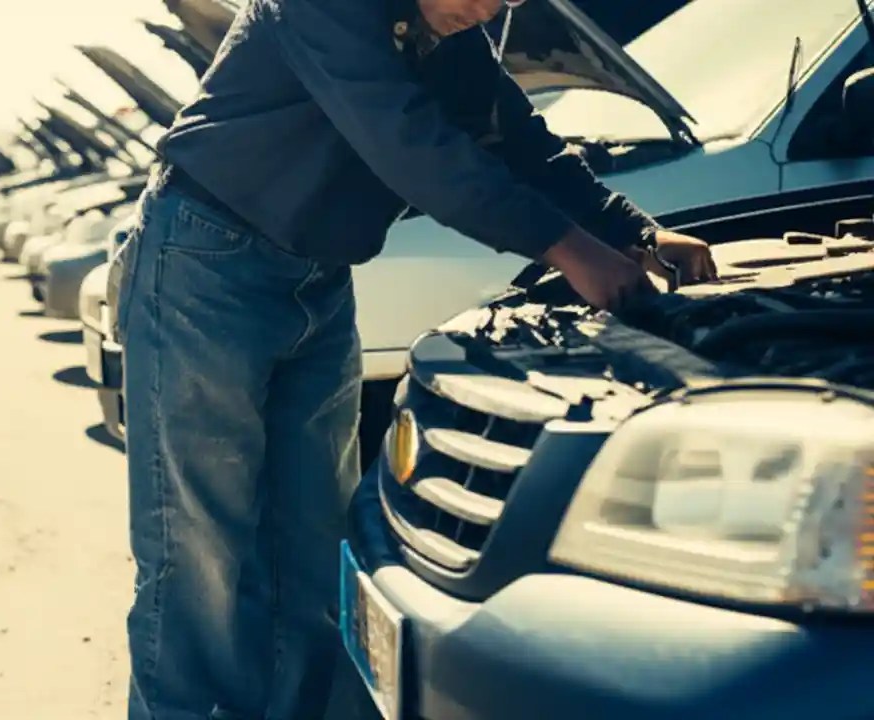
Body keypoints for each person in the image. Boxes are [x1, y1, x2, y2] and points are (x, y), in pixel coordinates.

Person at [112, 0, 718, 718]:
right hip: (204, 265)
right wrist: (568, 248)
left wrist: (633, 232)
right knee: (197, 548)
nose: (489, 8)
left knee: (311, 545)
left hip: (319, 279)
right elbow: (413, 146)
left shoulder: (451, 32)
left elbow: (516, 138)